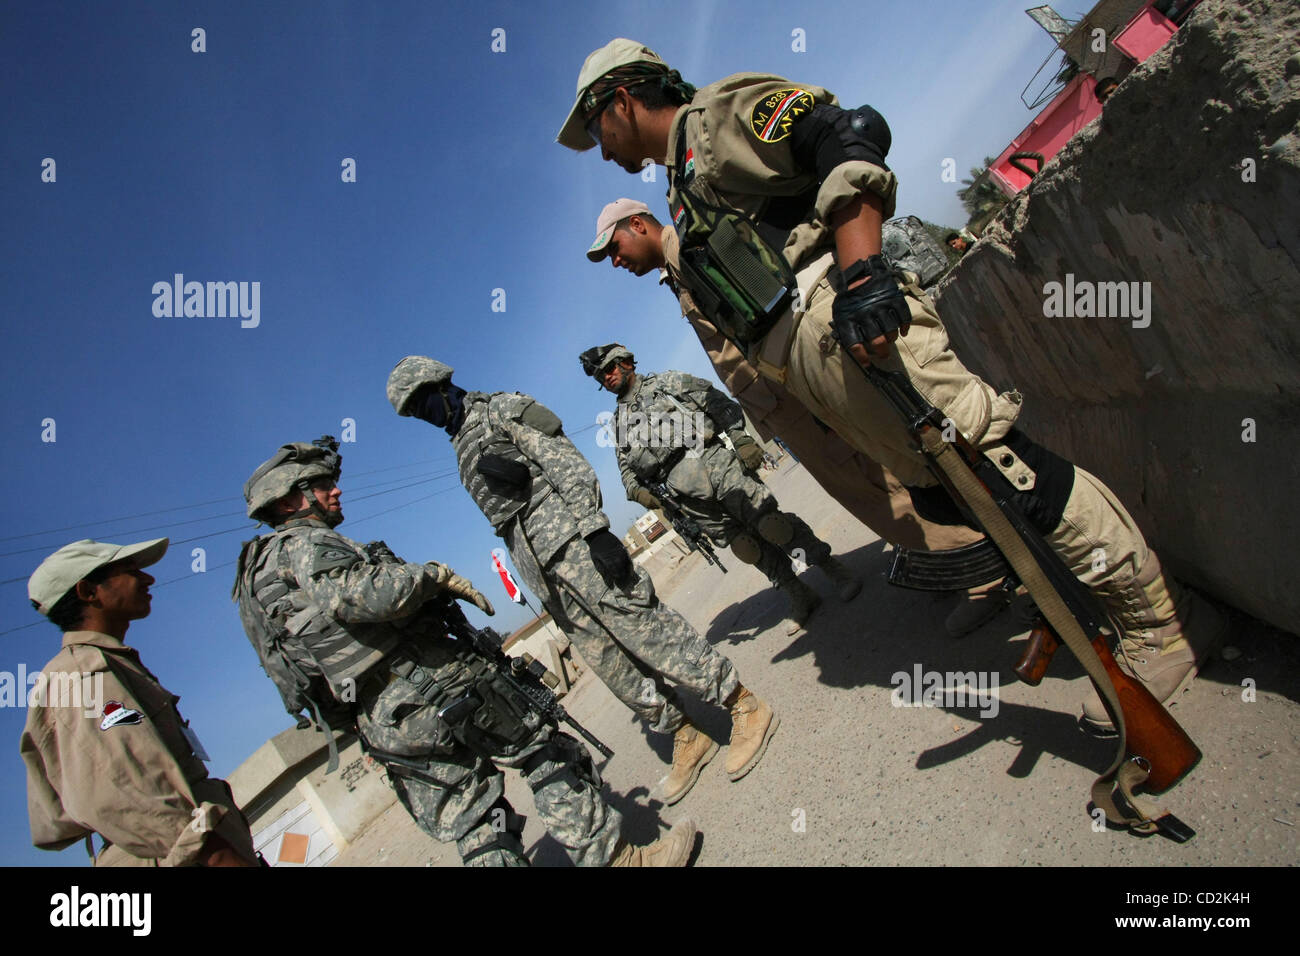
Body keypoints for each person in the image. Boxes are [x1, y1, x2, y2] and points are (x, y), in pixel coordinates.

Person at [557, 39, 1223, 730]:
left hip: (857, 329)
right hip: (826, 364)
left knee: (1009, 469)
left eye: (597, 128)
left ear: (623, 100)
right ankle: (1087, 611)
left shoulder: (715, 114)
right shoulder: (683, 178)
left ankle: (1162, 626)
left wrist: (865, 272)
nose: (602, 148)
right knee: (960, 495)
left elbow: (846, 136)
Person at [234, 436, 695, 866]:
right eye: (322, 485)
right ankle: (619, 859)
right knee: (543, 752)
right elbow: (363, 596)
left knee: (474, 820)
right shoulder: (305, 545)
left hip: (385, 719)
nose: (335, 492)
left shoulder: (260, 581)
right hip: (434, 682)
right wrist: (434, 576)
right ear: (292, 498)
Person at [585, 197, 1010, 636]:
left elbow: (771, 311)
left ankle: (975, 572)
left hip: (788, 387)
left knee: (867, 481)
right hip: (778, 396)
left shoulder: (690, 248)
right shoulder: (677, 268)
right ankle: (943, 557)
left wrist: (795, 392)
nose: (616, 261)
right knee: (866, 479)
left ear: (637, 224)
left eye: (614, 248)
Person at [386, 357, 778, 805]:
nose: (422, 414)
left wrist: (596, 529)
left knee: (645, 627)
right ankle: (684, 733)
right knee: (611, 662)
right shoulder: (461, 451)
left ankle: (739, 702)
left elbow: (565, 464)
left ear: (440, 385)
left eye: (420, 402)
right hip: (546, 574)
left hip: (577, 545)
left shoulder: (501, 410)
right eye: (412, 412)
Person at [579, 341, 862, 635]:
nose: (607, 377)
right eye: (601, 377)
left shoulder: (667, 383)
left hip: (713, 460)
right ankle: (799, 593)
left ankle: (832, 569)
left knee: (771, 524)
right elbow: (626, 472)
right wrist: (642, 494)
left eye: (610, 368)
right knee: (745, 546)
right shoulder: (618, 424)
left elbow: (716, 402)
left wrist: (740, 438)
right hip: (682, 493)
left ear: (626, 362)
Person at [21, 537, 260, 866]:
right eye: (131, 571)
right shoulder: (85, 675)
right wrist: (219, 858)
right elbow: (132, 794)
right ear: (88, 592)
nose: (148, 579)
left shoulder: (106, 665)